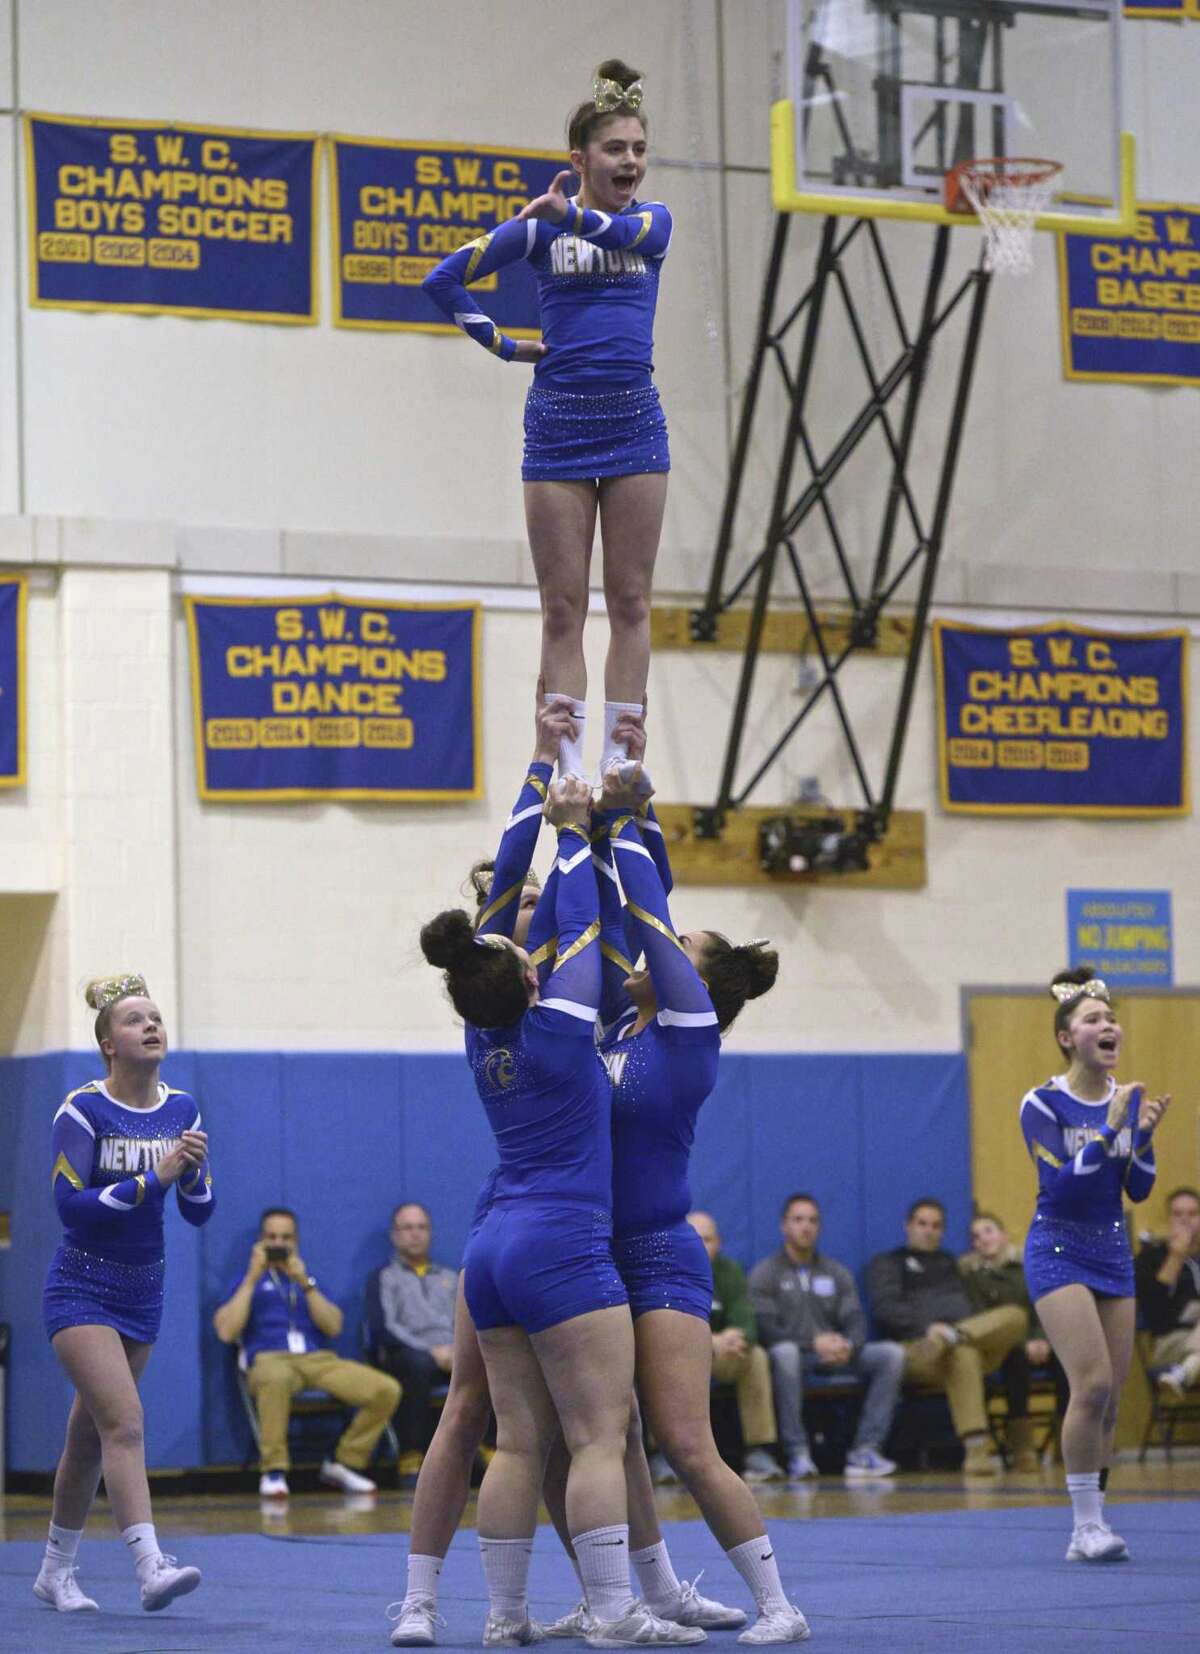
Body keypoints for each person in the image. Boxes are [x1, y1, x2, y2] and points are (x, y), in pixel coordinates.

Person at [391, 709, 731, 1648]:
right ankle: (615, 1609)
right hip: (561, 1235)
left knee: (514, 1433)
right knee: (597, 1434)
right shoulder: (557, 1015)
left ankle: (499, 1615)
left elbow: (509, 889)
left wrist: (545, 768)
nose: (528, 908)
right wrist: (587, 823)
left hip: (493, 1232)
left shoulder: (478, 1017)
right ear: (524, 970)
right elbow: (584, 919)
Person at [567, 757, 809, 1645]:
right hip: (592, 1250)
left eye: (673, 954)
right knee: (613, 1433)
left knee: (683, 1438)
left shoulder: (691, 1032)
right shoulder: (620, 1025)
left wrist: (631, 818)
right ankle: (658, 1590)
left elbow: (653, 914)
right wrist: (604, 834)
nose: (649, 955)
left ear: (694, 982)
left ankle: (781, 1604)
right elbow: (630, 912)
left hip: (662, 1251)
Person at [422, 60, 671, 785]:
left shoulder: (653, 221)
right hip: (559, 424)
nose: (630, 162)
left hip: (634, 424)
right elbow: (442, 280)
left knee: (630, 600)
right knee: (563, 607)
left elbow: (622, 237)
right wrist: (502, 344)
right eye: (615, 149)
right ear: (580, 159)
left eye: (637, 150)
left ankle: (622, 756)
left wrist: (568, 216)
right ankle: (564, 764)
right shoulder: (538, 234)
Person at [36, 974, 213, 1615]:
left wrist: (188, 1175)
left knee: (88, 1440)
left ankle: (56, 1571)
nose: (151, 1026)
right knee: (125, 1423)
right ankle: (150, 1565)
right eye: (136, 1020)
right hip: (81, 1286)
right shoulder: (83, 1110)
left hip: (143, 1290)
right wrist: (155, 1176)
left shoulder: (182, 1108)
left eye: (156, 1017)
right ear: (109, 1042)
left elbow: (199, 1210)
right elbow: (70, 1207)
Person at [1019, 968, 1169, 1562]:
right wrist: (1107, 1135)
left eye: (1111, 1019)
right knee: (1093, 1382)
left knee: (1111, 1397)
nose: (1107, 1027)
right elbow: (1059, 1186)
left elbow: (1138, 1190)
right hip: (1056, 1245)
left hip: (1112, 1248)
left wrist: (1144, 1137)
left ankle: (1097, 1521)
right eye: (1092, 1020)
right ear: (1066, 1037)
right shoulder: (1043, 1101)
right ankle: (1082, 1526)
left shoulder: (1126, 1101)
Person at [212, 1207, 400, 1500]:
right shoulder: (244, 1282)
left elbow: (334, 1326)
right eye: (271, 1237)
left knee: (385, 1389)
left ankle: (344, 1462)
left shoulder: (306, 1279)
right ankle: (274, 1471)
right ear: (261, 1241)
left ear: (296, 1241)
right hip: (268, 1359)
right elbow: (225, 1331)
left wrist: (305, 1284)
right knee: (274, 1378)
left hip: (316, 1360)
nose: (279, 1244)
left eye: (286, 1237)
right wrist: (251, 1278)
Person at [866, 1198, 1026, 1478]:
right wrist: (927, 1328)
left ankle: (955, 1335)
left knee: (1014, 1315)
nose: (929, 1230)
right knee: (963, 1354)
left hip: (966, 1341)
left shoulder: (955, 1265)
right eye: (922, 1224)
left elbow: (982, 1299)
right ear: (908, 1226)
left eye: (936, 1225)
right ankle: (977, 1451)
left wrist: (955, 1332)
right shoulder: (889, 1263)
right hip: (919, 1348)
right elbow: (885, 1310)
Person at [750, 1194, 903, 1481]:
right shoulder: (765, 1273)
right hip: (796, 1358)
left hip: (837, 1355)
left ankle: (865, 1449)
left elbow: (855, 1318)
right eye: (798, 1220)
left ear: (819, 1228)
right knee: (784, 1353)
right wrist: (811, 1344)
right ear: (784, 1226)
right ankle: (798, 1453)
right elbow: (765, 1327)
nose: (805, 1227)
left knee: (891, 1355)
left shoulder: (836, 1272)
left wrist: (848, 1344)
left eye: (812, 1220)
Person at [960, 1213, 1066, 1471]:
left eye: (988, 1231)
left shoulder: (1028, 1266)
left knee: (1067, 1359)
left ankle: (1067, 1441)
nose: (982, 1239)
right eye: (976, 1236)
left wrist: (1041, 1339)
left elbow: (1042, 1306)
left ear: (1004, 1235)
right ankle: (1023, 1447)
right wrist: (1023, 1342)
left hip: (1038, 1337)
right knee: (1015, 1359)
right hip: (1002, 1347)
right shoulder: (971, 1275)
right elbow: (979, 1317)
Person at [684, 1211, 783, 1484]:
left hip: (721, 1355)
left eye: (708, 1239)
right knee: (661, 1360)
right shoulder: (667, 1271)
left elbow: (747, 1321)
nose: (701, 1245)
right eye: (695, 1238)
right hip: (681, 1355)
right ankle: (663, 1456)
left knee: (757, 1356)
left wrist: (734, 1337)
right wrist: (708, 1339)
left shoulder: (729, 1271)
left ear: (719, 1243)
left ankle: (759, 1451)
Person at [367, 1203, 459, 1480]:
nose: (415, 1234)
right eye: (407, 1228)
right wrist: (431, 1352)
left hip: (452, 1350)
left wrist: (456, 1350)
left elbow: (466, 1321)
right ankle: (411, 1451)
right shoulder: (384, 1277)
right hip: (406, 1351)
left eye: (421, 1227)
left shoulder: (450, 1277)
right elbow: (385, 1327)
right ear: (394, 1235)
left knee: (489, 1361)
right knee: (417, 1364)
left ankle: (488, 1443)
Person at [1135, 1186, 1200, 1398]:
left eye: (1192, 1214)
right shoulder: (1152, 1257)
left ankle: (1186, 1371)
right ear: (1168, 1219)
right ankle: (1186, 1369)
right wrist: (1176, 1256)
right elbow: (1152, 1310)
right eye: (1178, 1214)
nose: (1185, 1220)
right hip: (1170, 1340)